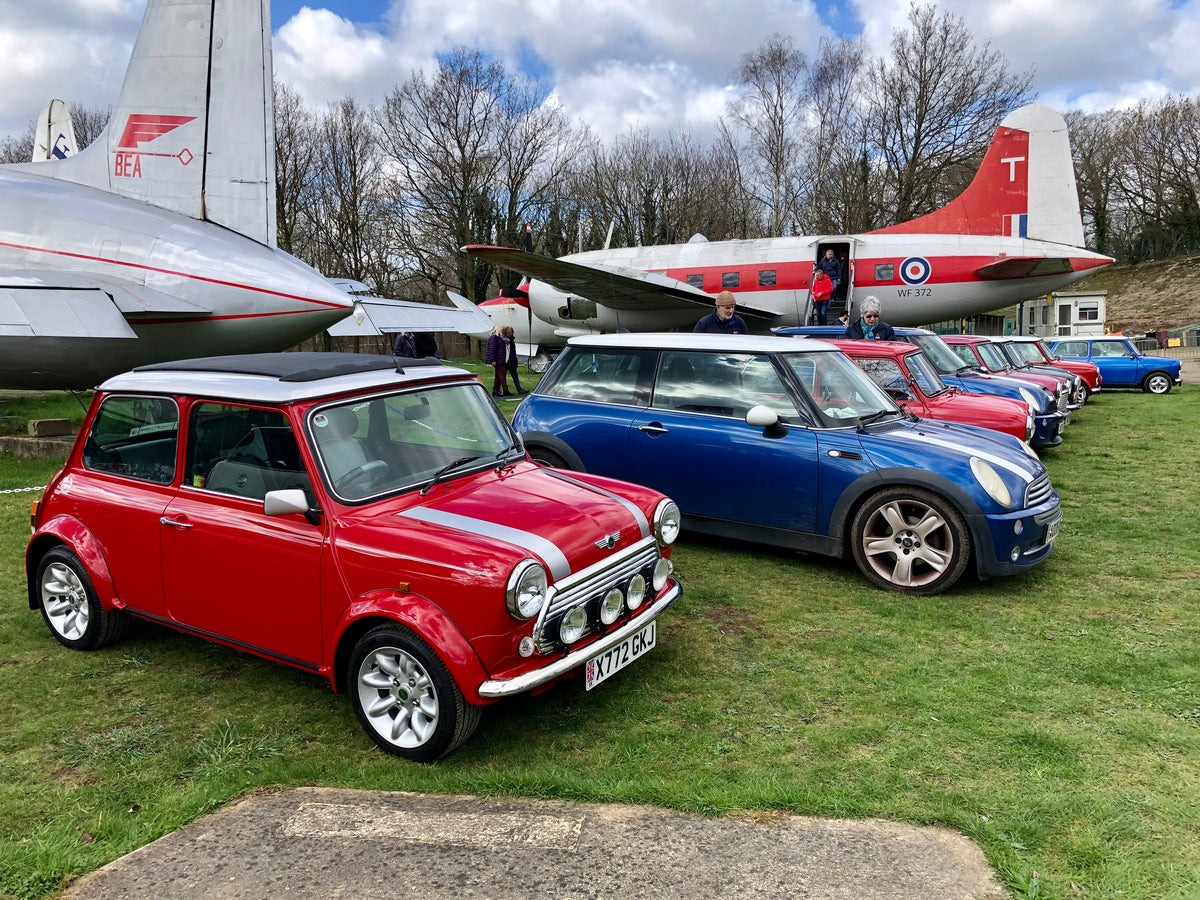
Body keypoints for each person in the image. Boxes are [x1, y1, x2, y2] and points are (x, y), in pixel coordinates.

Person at [484, 324, 511, 396]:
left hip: (501, 359)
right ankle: (505, 390)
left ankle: (495, 391)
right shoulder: (494, 338)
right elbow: (492, 350)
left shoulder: (500, 338)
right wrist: (493, 360)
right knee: (502, 375)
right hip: (498, 360)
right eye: (503, 330)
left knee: (498, 376)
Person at [504, 326, 528, 394]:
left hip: (512, 361)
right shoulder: (505, 340)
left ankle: (519, 389)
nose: (513, 332)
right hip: (507, 361)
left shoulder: (511, 339)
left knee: (515, 376)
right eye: (512, 331)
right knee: (502, 377)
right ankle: (501, 390)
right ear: (508, 332)